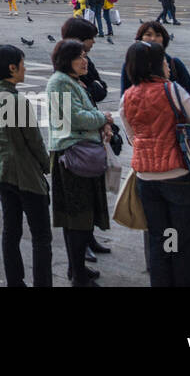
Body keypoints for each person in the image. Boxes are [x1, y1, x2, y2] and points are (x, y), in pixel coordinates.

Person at [122, 39, 190, 287]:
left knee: (162, 243)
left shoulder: (127, 96)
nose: (168, 65)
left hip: (147, 180)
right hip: (179, 177)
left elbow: (132, 137)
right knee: (183, 248)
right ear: (154, 64)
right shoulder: (172, 91)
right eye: (164, 60)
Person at [46, 39, 112, 286]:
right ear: (66, 60)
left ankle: (77, 269)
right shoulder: (59, 82)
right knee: (77, 218)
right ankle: (78, 274)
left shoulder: (71, 81)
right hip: (72, 158)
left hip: (80, 155)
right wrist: (101, 117)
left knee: (81, 218)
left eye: (85, 56)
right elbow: (72, 118)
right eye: (79, 57)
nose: (85, 61)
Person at [0, 44, 52, 287]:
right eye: (23, 64)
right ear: (12, 68)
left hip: (1, 167)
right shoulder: (18, 101)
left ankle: (15, 281)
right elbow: (34, 140)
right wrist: (46, 165)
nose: (25, 68)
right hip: (25, 173)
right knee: (41, 236)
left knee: (11, 229)